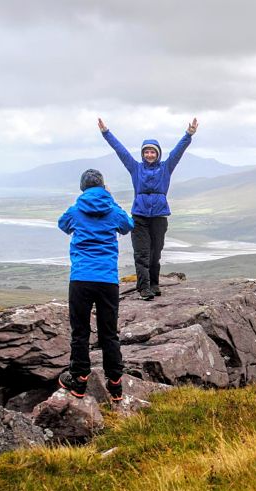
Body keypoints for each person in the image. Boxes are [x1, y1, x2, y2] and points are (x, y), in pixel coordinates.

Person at [98, 116, 198, 300]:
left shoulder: (166, 167)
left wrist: (188, 134)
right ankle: (144, 288)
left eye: (153, 152)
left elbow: (178, 152)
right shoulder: (135, 168)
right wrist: (106, 133)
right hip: (140, 216)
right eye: (146, 152)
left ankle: (154, 284)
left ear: (157, 154)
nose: (150, 155)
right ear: (142, 154)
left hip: (159, 216)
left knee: (155, 252)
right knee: (142, 253)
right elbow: (121, 151)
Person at [57, 169, 135, 401]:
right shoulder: (112, 209)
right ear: (103, 186)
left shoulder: (76, 209)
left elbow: (63, 225)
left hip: (81, 278)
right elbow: (128, 225)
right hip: (107, 280)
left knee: (80, 331)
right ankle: (115, 383)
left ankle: (79, 380)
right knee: (109, 333)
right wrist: (111, 200)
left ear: (83, 187)